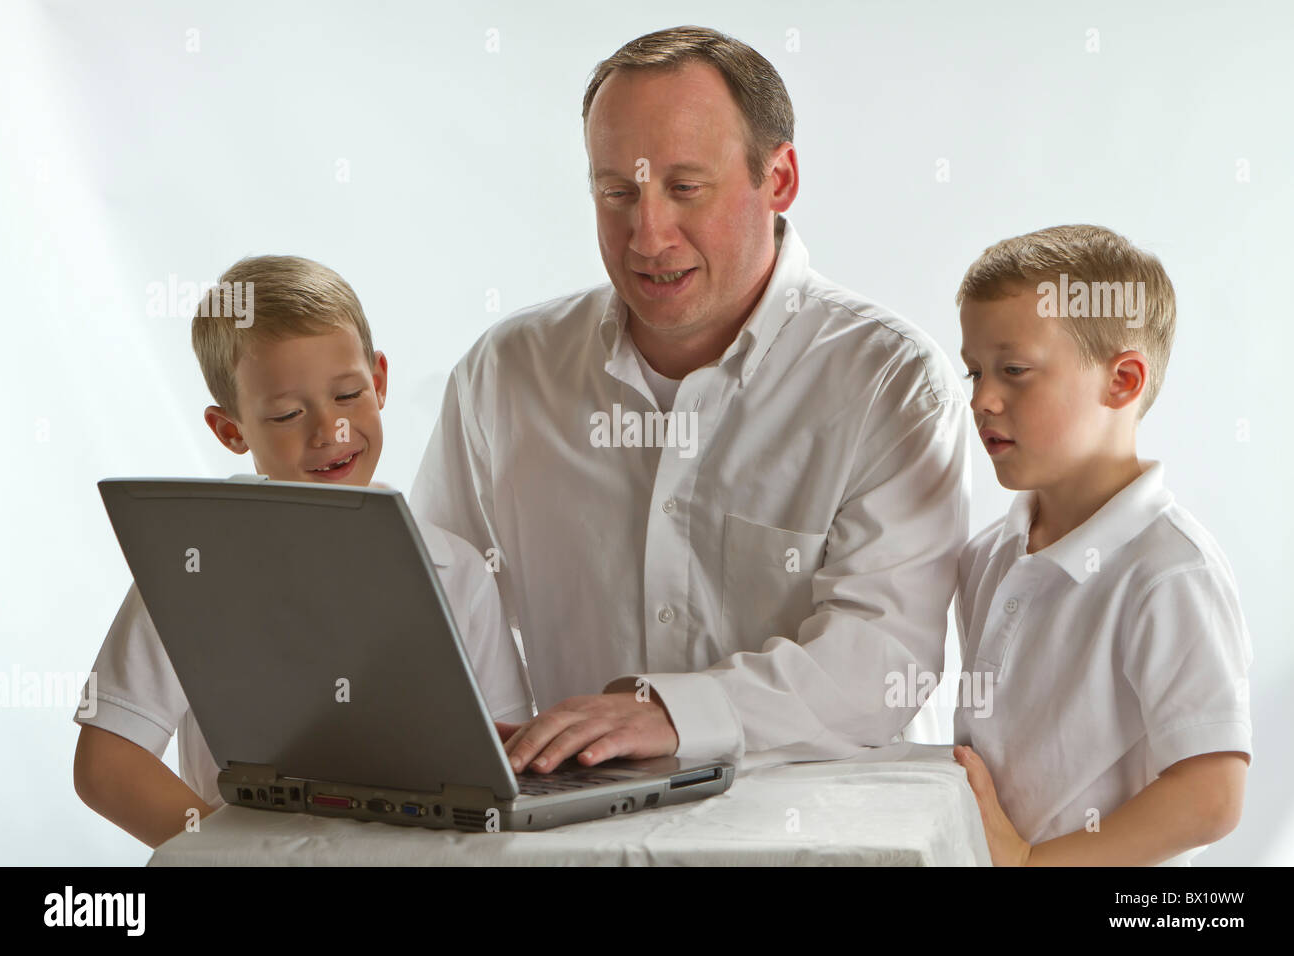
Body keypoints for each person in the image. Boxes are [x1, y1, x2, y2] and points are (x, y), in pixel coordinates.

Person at [411, 25, 972, 773]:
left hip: (820, 841)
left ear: (779, 179)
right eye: (616, 192)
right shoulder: (506, 373)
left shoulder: (889, 380)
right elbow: (433, 612)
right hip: (568, 837)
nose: (646, 235)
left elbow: (880, 663)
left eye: (685, 188)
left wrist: (669, 715)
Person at [73, 255, 532, 848]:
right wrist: (245, 862)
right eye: (288, 413)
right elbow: (107, 765)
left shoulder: (460, 572)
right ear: (230, 431)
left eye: (347, 395)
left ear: (381, 380)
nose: (329, 432)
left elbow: (508, 764)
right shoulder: (193, 567)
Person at [951, 224, 1252, 865]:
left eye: (1015, 370)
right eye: (974, 370)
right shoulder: (986, 557)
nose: (981, 398)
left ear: (1122, 382)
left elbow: (1212, 794)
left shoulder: (1170, 571)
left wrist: (1035, 863)